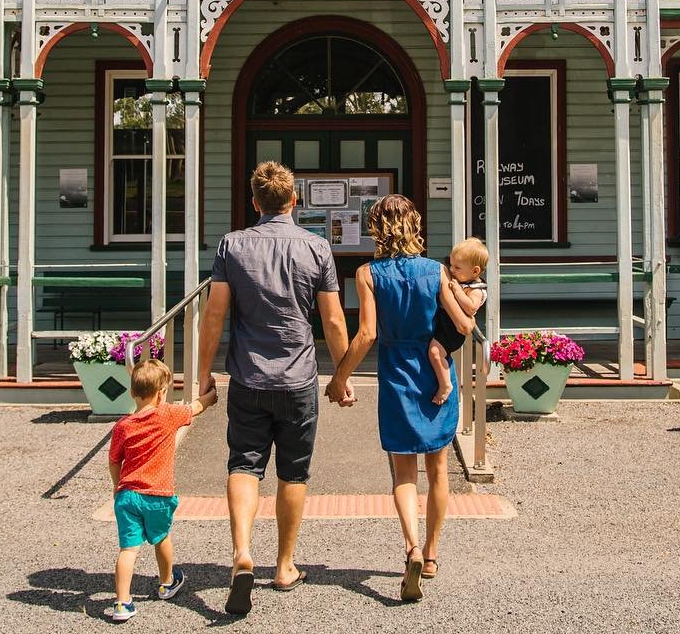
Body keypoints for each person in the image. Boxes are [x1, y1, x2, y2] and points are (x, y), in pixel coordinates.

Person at [197, 161, 354, 616]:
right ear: (294, 201)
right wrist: (341, 377)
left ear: (254, 202)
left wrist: (203, 374)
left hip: (247, 376)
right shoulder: (316, 248)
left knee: (244, 465)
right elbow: (333, 320)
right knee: (293, 472)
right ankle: (284, 565)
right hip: (298, 379)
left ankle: (242, 554)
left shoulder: (232, 245)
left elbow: (214, 315)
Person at [327, 194, 466, 603]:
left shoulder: (367, 273)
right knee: (438, 469)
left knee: (404, 473)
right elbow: (461, 321)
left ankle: (412, 548)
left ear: (376, 226)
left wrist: (340, 378)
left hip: (396, 371)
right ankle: (434, 553)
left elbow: (366, 334)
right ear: (414, 225)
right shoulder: (436, 270)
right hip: (432, 365)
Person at [107, 358, 217, 623]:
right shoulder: (167, 415)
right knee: (161, 537)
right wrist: (211, 395)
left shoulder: (123, 426)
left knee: (128, 550)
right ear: (161, 393)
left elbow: (114, 461)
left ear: (132, 392)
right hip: (158, 494)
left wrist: (116, 486)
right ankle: (167, 581)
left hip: (127, 495)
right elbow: (195, 408)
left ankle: (122, 602)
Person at [428, 237, 488, 405]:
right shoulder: (461, 280)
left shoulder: (477, 290)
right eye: (451, 265)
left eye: (457, 267)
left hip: (452, 330)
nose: (452, 270)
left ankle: (446, 384)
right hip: (444, 322)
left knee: (434, 352)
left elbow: (470, 308)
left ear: (475, 271)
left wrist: (457, 291)